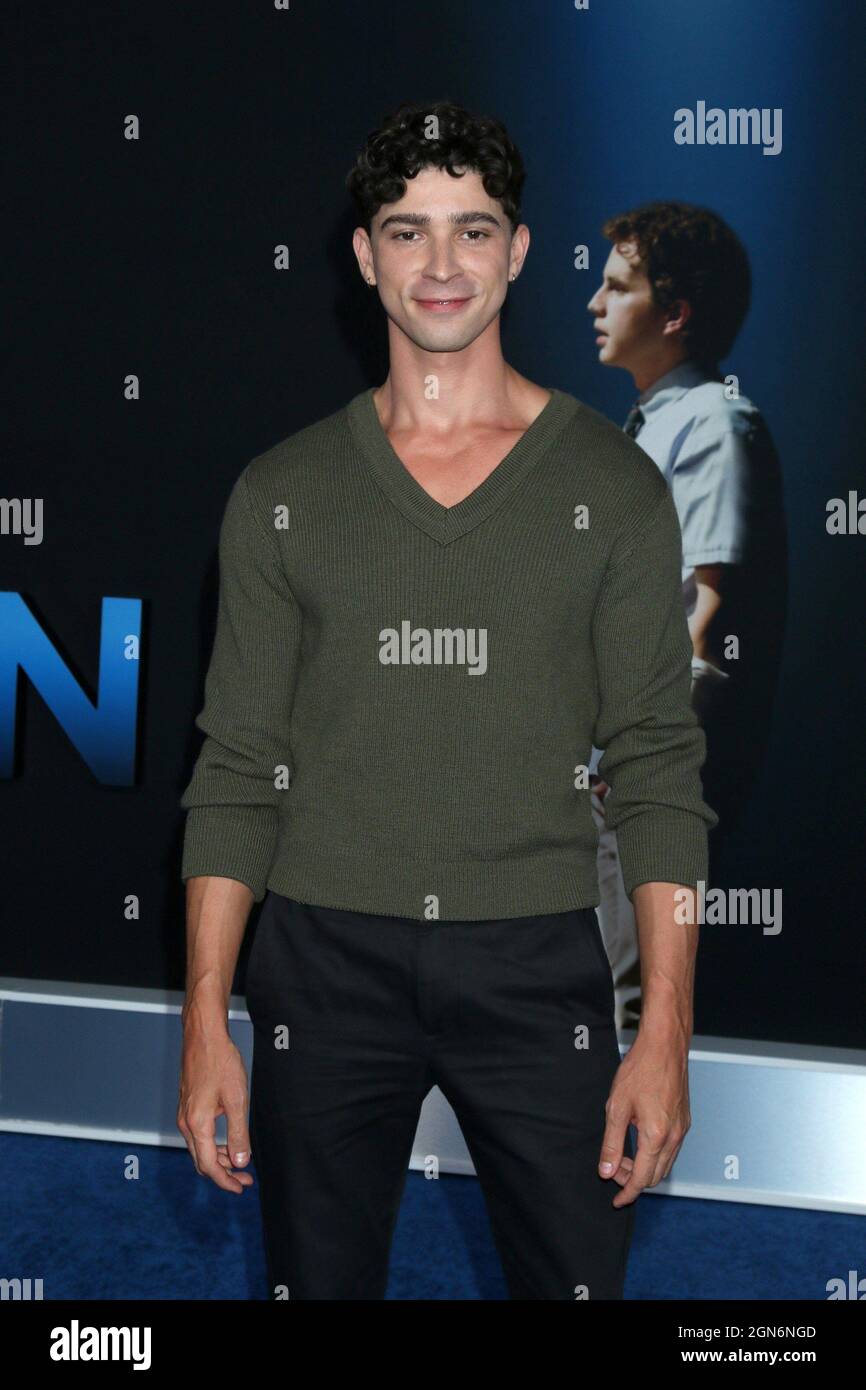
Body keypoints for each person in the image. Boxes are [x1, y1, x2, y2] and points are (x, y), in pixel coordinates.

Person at [176, 103, 717, 1301]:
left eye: (470, 230)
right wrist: (206, 1016)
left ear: (517, 251)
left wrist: (664, 1032)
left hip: (538, 963)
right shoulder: (281, 491)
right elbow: (236, 767)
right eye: (405, 231)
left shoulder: (612, 489)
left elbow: (654, 766)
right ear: (363, 255)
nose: (439, 265)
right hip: (320, 959)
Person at [586, 201, 787, 1030]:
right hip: (607, 771)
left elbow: (710, 620)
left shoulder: (712, 422)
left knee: (622, 1019)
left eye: (617, 287)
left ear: (674, 313)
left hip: (641, 785)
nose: (594, 304)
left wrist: (632, 778)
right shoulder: (653, 426)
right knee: (589, 1011)